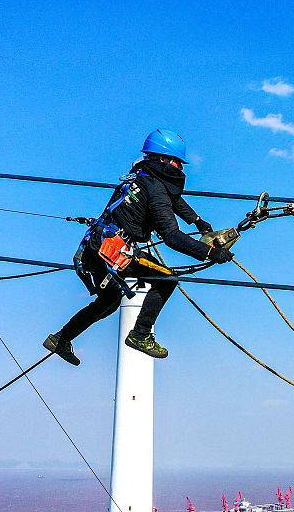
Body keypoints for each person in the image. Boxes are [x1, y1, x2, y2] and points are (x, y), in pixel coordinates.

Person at [44, 129, 233, 363]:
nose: (180, 168)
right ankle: (141, 334)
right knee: (167, 281)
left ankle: (61, 338)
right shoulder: (155, 189)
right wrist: (211, 252)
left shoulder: (140, 177)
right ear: (163, 159)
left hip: (96, 247)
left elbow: (173, 200)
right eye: (177, 162)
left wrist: (196, 221)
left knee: (109, 301)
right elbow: (172, 236)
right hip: (115, 250)